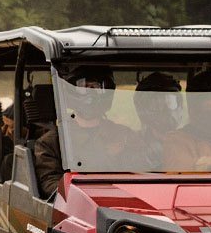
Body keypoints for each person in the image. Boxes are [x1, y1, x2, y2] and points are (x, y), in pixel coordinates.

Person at [33, 66, 136, 195]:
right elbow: (50, 185)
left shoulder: (124, 135)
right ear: (72, 91)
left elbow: (143, 176)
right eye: (83, 87)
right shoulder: (52, 142)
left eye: (96, 87)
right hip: (78, 209)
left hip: (123, 203)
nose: (90, 93)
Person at [131, 72, 185, 169]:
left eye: (170, 102)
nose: (165, 110)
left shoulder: (192, 144)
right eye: (156, 104)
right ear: (143, 107)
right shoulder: (132, 145)